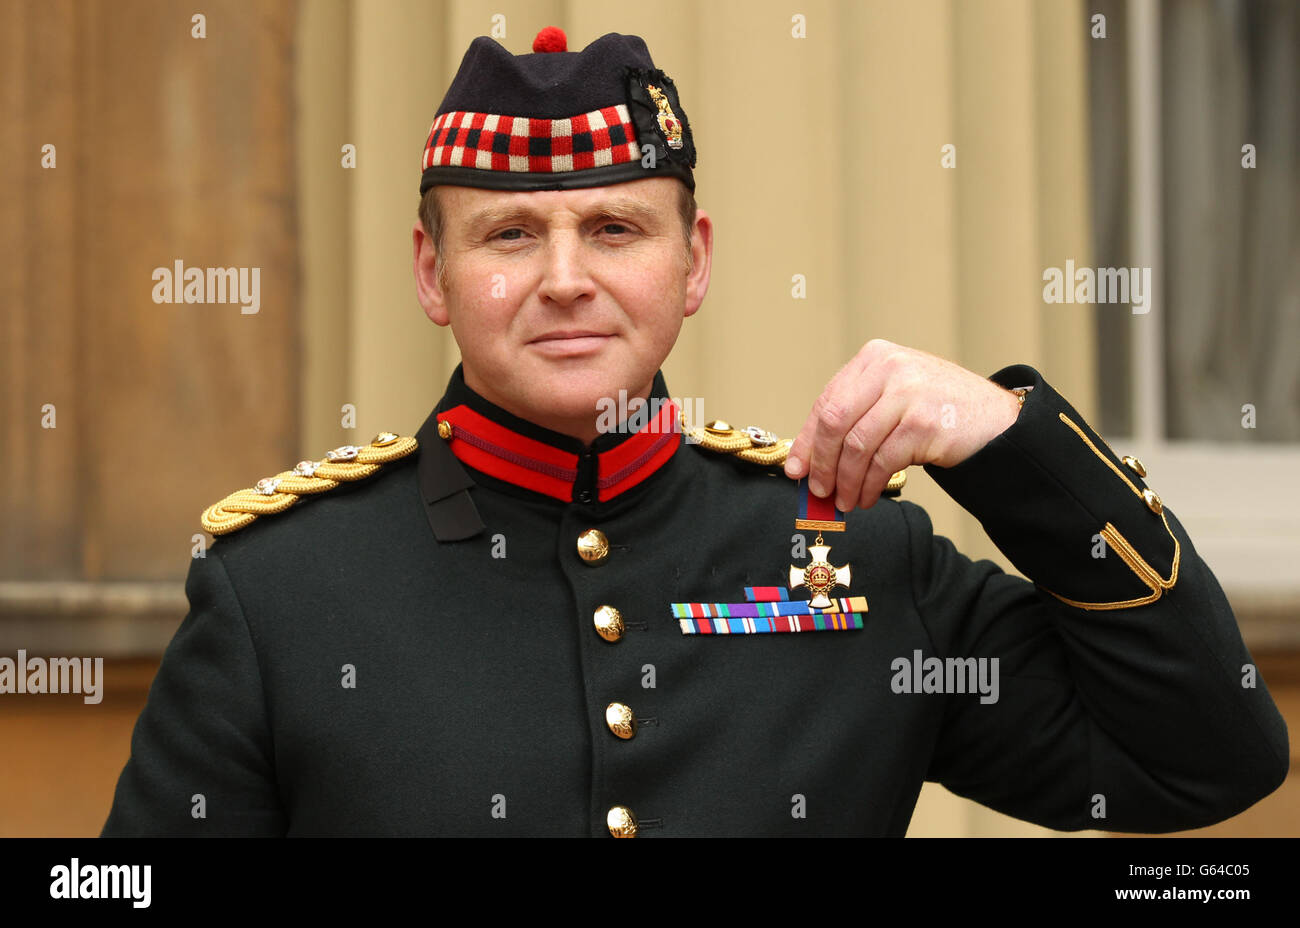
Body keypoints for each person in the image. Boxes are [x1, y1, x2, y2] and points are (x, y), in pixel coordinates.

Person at [102, 27, 1287, 837]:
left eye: (616, 228)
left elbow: (1204, 757)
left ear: (695, 261)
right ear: (432, 272)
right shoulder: (285, 594)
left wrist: (1016, 447)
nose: (566, 277)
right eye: (510, 235)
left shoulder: (855, 564)